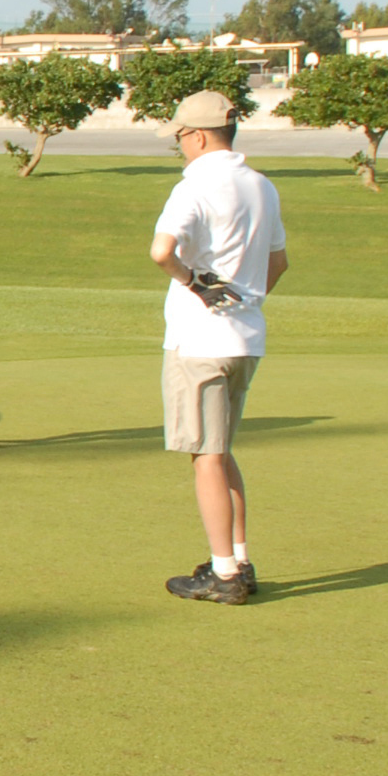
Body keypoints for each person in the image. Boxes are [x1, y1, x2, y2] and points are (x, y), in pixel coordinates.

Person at [150, 89, 287, 605]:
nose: (179, 146)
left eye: (181, 137)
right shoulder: (262, 186)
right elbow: (277, 264)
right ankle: (237, 558)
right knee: (222, 451)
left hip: (199, 341)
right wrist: (244, 303)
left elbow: (161, 251)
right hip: (245, 339)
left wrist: (194, 282)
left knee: (205, 456)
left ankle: (225, 574)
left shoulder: (195, 185)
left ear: (200, 135)